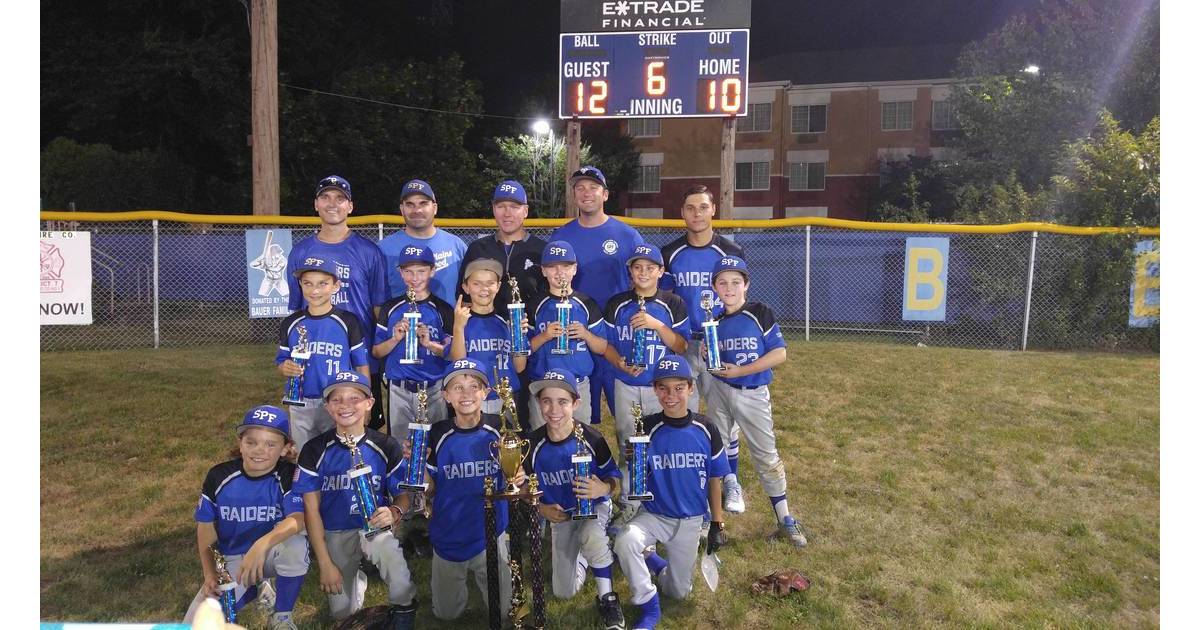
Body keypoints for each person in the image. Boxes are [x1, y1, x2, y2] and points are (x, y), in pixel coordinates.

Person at [612, 355, 730, 630]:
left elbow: (715, 478)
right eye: (663, 388)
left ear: (691, 388)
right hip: (655, 515)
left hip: (689, 520)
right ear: (655, 390)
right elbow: (640, 475)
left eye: (679, 387)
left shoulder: (706, 428)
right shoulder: (647, 428)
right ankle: (648, 604)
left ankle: (653, 559)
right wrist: (635, 456)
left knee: (678, 592)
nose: (671, 395)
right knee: (627, 540)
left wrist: (716, 522)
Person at [295, 372, 417, 629]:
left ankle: (403, 612)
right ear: (327, 407)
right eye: (337, 400)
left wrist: (395, 511)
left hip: (374, 526)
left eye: (354, 398)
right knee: (342, 614)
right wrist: (325, 563)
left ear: (370, 403)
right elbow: (311, 510)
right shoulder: (315, 450)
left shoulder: (385, 445)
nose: (345, 405)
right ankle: (357, 580)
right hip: (335, 530)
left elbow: (403, 495)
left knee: (398, 574)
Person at [702, 256, 808, 547]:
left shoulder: (760, 312)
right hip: (720, 390)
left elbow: (779, 354)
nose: (729, 288)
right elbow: (714, 361)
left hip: (752, 392)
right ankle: (714, 519)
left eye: (736, 282)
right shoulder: (714, 320)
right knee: (717, 450)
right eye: (722, 282)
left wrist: (742, 370)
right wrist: (705, 354)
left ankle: (785, 519)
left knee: (766, 455)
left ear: (746, 285)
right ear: (714, 287)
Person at [659, 184, 748, 512]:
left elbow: (738, 300)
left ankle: (731, 483)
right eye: (690, 208)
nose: (697, 214)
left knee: (725, 416)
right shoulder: (670, 253)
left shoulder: (730, 250)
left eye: (703, 207)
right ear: (682, 213)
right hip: (684, 345)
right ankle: (694, 479)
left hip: (718, 343)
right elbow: (665, 302)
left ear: (713, 210)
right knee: (686, 414)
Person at [183, 405, 308, 630]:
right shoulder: (219, 475)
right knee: (195, 624)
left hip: (270, 550)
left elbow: (298, 518)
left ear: (285, 448)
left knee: (296, 545)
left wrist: (260, 545)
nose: (259, 450)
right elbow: (205, 527)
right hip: (233, 559)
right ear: (240, 443)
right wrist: (209, 573)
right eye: (251, 442)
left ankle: (282, 617)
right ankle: (253, 585)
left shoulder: (288, 474)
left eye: (270, 444)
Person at [522, 369, 625, 629]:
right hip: (561, 517)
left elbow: (614, 478)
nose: (554, 409)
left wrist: (603, 488)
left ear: (576, 404)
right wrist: (541, 508)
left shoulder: (591, 438)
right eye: (547, 401)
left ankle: (607, 598)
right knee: (563, 592)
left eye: (562, 402)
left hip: (594, 509)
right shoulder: (532, 445)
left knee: (590, 532)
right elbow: (524, 487)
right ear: (539, 404)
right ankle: (589, 551)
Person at [286, 175, 390, 429]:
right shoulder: (300, 252)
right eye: (326, 197)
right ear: (316, 204)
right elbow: (296, 312)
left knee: (362, 429)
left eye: (340, 198)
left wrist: (380, 355)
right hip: (315, 358)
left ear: (350, 207)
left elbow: (379, 308)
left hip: (360, 356)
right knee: (311, 428)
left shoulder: (369, 251)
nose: (333, 203)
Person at [550, 166, 646, 424]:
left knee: (630, 416)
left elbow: (646, 279)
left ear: (605, 194)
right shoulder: (562, 235)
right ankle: (581, 462)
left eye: (593, 187)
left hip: (617, 334)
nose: (586, 193)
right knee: (577, 416)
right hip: (576, 333)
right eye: (580, 187)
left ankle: (633, 461)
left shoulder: (627, 235)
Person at [422, 358, 516, 621]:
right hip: (449, 536)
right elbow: (429, 491)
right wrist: (418, 467)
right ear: (446, 395)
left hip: (490, 533)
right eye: (458, 388)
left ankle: (492, 576)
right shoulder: (436, 435)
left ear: (486, 392)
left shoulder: (500, 428)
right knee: (446, 615)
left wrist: (517, 473)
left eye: (474, 386)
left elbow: (515, 477)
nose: (467, 394)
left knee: (507, 615)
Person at [601, 244, 689, 516]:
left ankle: (661, 499)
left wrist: (657, 325)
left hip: (660, 388)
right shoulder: (617, 304)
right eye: (637, 267)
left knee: (661, 443)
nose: (643, 272)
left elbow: (682, 346)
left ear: (661, 271)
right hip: (626, 384)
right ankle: (629, 501)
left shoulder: (672, 303)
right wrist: (620, 363)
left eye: (650, 267)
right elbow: (608, 345)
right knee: (628, 443)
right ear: (630, 271)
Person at [456, 179, 548, 435]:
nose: (508, 213)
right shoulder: (478, 248)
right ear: (493, 209)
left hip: (527, 346)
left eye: (514, 206)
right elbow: (462, 297)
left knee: (524, 424)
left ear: (526, 211)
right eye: (501, 206)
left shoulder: (540, 250)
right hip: (485, 343)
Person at [276, 256, 371, 449]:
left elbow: (361, 365)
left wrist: (365, 400)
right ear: (300, 286)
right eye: (308, 284)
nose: (315, 290)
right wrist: (284, 367)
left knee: (339, 452)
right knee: (304, 454)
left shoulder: (348, 321)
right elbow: (282, 361)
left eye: (323, 283)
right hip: (301, 401)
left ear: (336, 286)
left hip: (338, 402)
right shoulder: (291, 323)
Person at [373, 244, 455, 435]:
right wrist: (394, 339)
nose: (415, 278)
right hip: (399, 390)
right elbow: (376, 351)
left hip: (434, 389)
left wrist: (430, 344)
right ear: (400, 273)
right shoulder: (390, 308)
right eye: (408, 271)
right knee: (401, 450)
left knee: (435, 447)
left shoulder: (443, 309)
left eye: (421, 271)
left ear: (432, 271)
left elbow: (451, 354)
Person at [526, 241, 608, 429]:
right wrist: (544, 336)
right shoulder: (535, 305)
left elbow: (602, 347)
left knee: (580, 441)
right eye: (552, 267)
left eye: (565, 266)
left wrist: (585, 334)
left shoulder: (586, 303)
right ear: (543, 271)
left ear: (575, 269)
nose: (559, 272)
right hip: (543, 386)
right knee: (543, 440)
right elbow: (524, 350)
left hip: (577, 386)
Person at [449, 258, 527, 417]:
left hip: (506, 398)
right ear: (466, 287)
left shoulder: (508, 322)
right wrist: (458, 328)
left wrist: (519, 335)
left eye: (490, 283)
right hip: (472, 400)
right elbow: (459, 364)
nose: (484, 289)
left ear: (498, 286)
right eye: (476, 283)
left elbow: (520, 367)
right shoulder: (462, 321)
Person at [378, 179, 468, 305]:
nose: (417, 210)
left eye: (423, 203)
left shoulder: (456, 246)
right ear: (402, 209)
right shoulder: (383, 249)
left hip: (449, 324)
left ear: (434, 208)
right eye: (410, 204)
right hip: (401, 323)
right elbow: (376, 302)